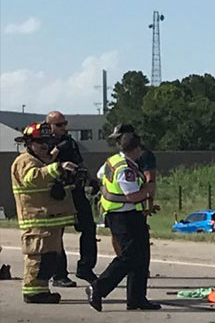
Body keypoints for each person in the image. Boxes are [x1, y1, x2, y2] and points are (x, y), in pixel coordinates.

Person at [86, 132, 159, 311]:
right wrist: (149, 189)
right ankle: (98, 287)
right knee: (129, 256)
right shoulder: (126, 169)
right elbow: (133, 196)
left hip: (127, 215)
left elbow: (101, 175)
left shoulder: (113, 161)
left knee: (141, 256)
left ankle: (137, 298)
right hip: (123, 216)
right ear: (136, 149)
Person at [9, 123, 78, 304]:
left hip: (49, 219)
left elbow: (51, 187)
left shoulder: (43, 162)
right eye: (40, 142)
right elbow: (33, 178)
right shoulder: (24, 161)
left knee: (48, 258)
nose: (45, 145)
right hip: (36, 219)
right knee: (37, 256)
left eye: (48, 141)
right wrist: (58, 168)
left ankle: (42, 290)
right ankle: (32, 292)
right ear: (29, 143)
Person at [46, 111, 99, 286]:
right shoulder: (44, 142)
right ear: (50, 126)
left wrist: (92, 179)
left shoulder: (70, 142)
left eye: (65, 124)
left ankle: (85, 268)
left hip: (76, 190)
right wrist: (58, 148)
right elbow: (45, 162)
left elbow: (79, 162)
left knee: (88, 228)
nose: (64, 128)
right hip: (57, 194)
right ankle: (59, 274)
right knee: (57, 233)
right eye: (59, 125)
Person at [105, 123, 158, 255]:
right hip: (117, 206)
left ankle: (132, 266)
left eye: (119, 138)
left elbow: (149, 179)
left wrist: (149, 202)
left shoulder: (143, 155)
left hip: (135, 205)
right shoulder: (118, 158)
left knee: (135, 243)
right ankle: (125, 264)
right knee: (118, 238)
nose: (117, 142)